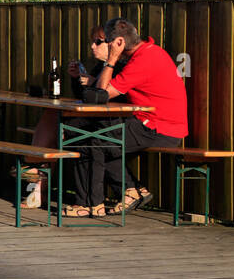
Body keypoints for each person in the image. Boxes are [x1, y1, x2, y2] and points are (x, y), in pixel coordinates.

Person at [66, 18, 187, 217]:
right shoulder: (145, 53)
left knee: (95, 140)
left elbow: (101, 94)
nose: (97, 46)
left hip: (159, 127)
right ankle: (129, 191)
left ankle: (91, 204)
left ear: (119, 43)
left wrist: (111, 60)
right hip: (149, 121)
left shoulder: (143, 60)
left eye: (106, 41)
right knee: (89, 133)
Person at [19, 27, 109, 208]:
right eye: (92, 41)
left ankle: (37, 179)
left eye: (98, 42)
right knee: (52, 116)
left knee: (56, 125)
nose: (92, 46)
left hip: (108, 122)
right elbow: (85, 95)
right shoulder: (101, 67)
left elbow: (107, 97)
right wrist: (77, 79)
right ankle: (38, 181)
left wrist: (90, 82)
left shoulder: (116, 67)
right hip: (89, 118)